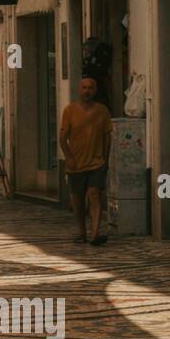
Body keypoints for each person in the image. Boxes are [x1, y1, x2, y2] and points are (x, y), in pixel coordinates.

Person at [60, 75, 114, 246]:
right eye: (84, 88)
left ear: (95, 91)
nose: (87, 91)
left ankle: (96, 233)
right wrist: (68, 157)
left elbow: (107, 137)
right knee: (77, 199)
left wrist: (105, 159)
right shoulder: (70, 111)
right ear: (79, 90)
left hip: (96, 162)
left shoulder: (103, 111)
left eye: (91, 88)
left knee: (94, 193)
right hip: (75, 163)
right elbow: (62, 137)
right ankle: (82, 232)